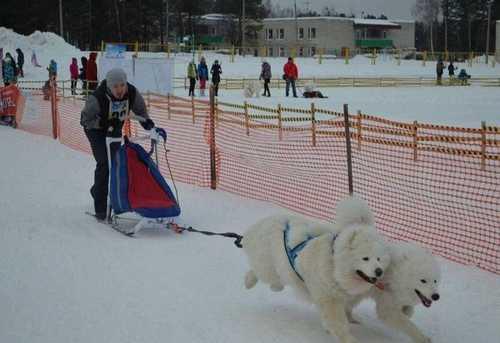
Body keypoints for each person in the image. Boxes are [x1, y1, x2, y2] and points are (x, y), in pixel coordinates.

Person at [80, 68, 163, 221]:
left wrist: (150, 126)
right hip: (95, 131)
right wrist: (103, 123)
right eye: (115, 86)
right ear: (109, 87)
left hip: (114, 129)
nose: (119, 89)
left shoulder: (132, 93)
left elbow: (141, 112)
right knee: (105, 163)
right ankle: (100, 205)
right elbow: (85, 120)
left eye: (122, 85)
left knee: (117, 163)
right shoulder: (97, 98)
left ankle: (113, 198)